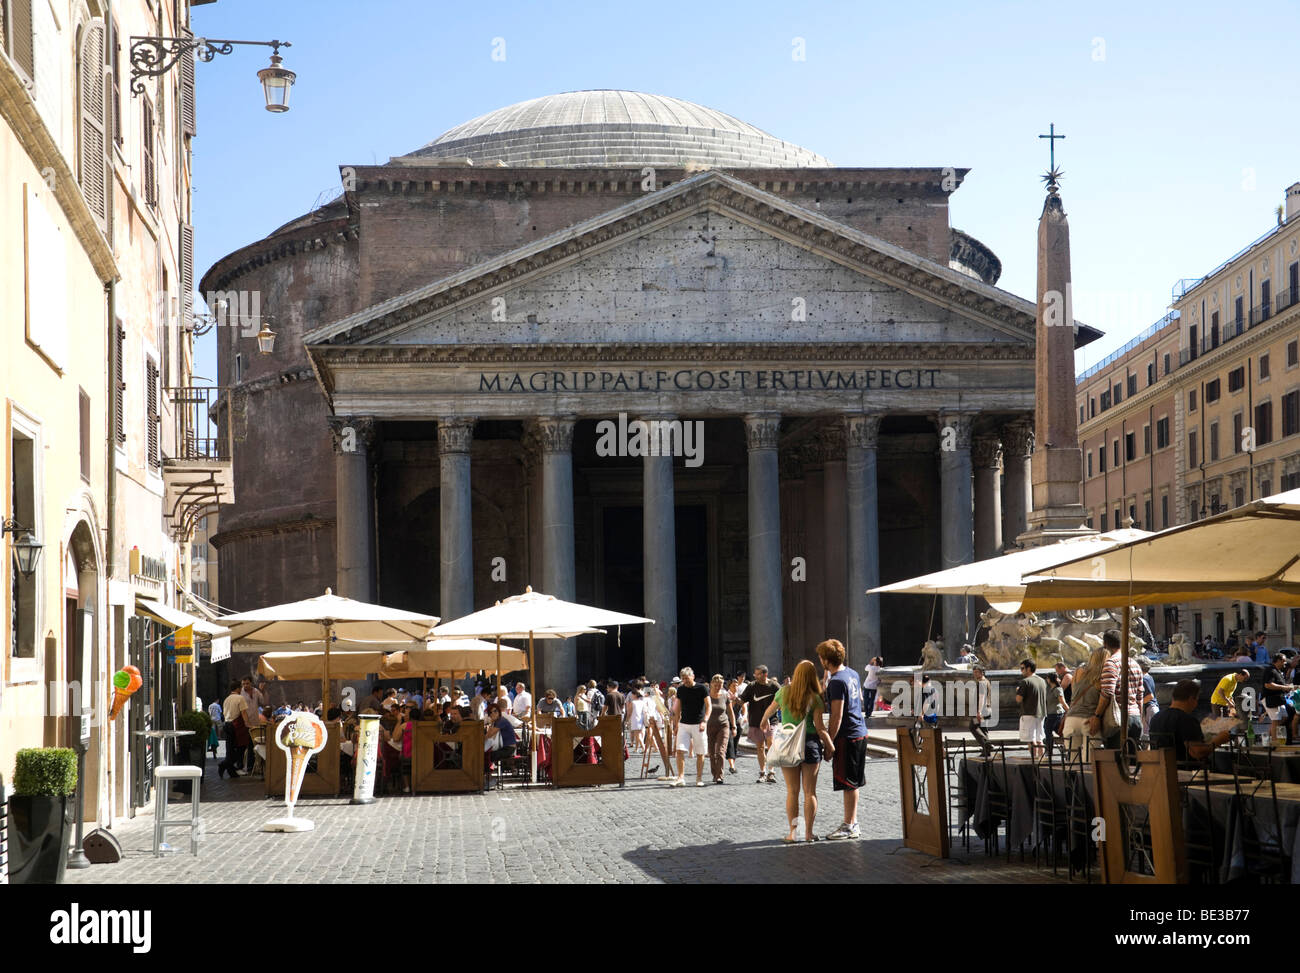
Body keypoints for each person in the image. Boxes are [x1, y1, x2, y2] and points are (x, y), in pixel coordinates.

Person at [761, 659, 834, 843]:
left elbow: (769, 711)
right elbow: (820, 728)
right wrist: (830, 746)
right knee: (810, 792)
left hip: (788, 744)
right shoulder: (815, 698)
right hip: (810, 745)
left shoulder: (783, 692)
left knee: (792, 791)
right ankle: (808, 833)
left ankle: (793, 833)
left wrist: (764, 722)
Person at [818, 638, 867, 840]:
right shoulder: (852, 674)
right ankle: (852, 822)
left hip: (847, 735)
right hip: (859, 731)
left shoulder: (837, 682)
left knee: (849, 782)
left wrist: (829, 743)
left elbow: (836, 716)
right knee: (852, 782)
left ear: (825, 660)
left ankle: (849, 825)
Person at [1149, 679, 1232, 766]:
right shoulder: (1186, 720)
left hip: (1160, 769)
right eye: (1197, 699)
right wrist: (1219, 740)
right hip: (1186, 772)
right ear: (1191, 698)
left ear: (1173, 697)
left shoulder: (1156, 718)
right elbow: (1197, 753)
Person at [1092, 630, 1144, 751]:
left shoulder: (1111, 663)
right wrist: (1139, 717)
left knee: (1116, 763)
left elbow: (1107, 693)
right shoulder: (1135, 663)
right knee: (1133, 762)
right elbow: (1140, 696)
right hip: (1135, 717)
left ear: (1105, 644)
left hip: (1118, 719)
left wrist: (1097, 716)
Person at [667, 667, 710, 787]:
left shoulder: (702, 688)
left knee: (700, 752)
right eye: (683, 679)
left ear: (693, 676)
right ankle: (680, 777)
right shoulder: (680, 689)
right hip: (684, 724)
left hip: (699, 724)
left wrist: (705, 721)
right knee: (680, 750)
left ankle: (699, 778)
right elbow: (677, 708)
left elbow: (709, 706)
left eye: (687, 678)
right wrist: (675, 725)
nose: (685, 681)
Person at [740, 665, 780, 783]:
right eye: (755, 674)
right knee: (760, 747)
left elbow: (781, 702)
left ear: (765, 675)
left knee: (771, 744)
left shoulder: (774, 686)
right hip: (756, 721)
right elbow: (743, 699)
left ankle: (771, 772)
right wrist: (734, 699)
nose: (755, 676)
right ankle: (762, 772)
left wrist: (768, 715)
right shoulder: (751, 686)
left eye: (757, 674)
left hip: (771, 720)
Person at [1016, 658, 1047, 760]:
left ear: (1028, 668)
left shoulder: (1025, 682)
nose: (1021, 671)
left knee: (1030, 739)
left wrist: (1017, 691)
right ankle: (1042, 759)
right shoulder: (1042, 681)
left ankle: (1033, 760)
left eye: (1022, 668)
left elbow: (1018, 699)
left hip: (1028, 713)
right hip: (1041, 713)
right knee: (1039, 739)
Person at [706, 674, 734, 783]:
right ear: (711, 684)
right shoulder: (707, 695)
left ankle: (719, 776)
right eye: (716, 685)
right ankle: (714, 773)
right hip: (709, 726)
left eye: (720, 685)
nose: (718, 687)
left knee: (721, 752)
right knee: (712, 753)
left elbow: (730, 711)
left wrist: (734, 726)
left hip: (723, 725)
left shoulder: (725, 695)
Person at [1263, 654, 1297, 743]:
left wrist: (1290, 686)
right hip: (1270, 698)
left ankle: (1268, 737)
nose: (1285, 663)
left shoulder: (1278, 671)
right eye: (1283, 661)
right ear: (1277, 660)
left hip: (1278, 699)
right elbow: (1268, 685)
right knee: (1276, 719)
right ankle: (1274, 742)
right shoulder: (1270, 670)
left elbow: (1281, 685)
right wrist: (1284, 687)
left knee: (1284, 717)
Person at [218, 681, 248, 779]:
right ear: (238, 688)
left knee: (230, 749)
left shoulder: (226, 699)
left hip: (227, 724)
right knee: (241, 748)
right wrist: (248, 724)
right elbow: (243, 713)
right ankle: (224, 764)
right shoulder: (240, 698)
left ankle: (231, 771)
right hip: (236, 725)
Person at [483, 704, 518, 790]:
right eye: (490, 712)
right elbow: (488, 735)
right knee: (486, 756)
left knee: (488, 756)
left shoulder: (501, 721)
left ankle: (489, 780)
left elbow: (489, 735)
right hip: (504, 748)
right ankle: (487, 778)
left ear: (499, 711)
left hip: (509, 749)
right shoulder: (495, 722)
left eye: (495, 711)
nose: (493, 713)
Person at [239, 676, 264, 772]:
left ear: (251, 683)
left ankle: (252, 766)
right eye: (243, 684)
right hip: (245, 723)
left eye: (247, 683)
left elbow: (263, 702)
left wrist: (262, 691)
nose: (245, 685)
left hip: (255, 722)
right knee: (244, 745)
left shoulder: (256, 691)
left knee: (253, 745)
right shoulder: (240, 693)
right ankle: (243, 766)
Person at [969, 665, 993, 756]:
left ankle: (987, 744)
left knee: (973, 726)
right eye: (974, 672)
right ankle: (986, 752)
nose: (975, 674)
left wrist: (978, 712)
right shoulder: (986, 681)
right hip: (987, 709)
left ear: (982, 672)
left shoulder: (981, 683)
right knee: (983, 729)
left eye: (977, 672)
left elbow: (981, 698)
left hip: (982, 711)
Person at [1043, 671, 1066, 753]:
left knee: (1048, 731)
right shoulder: (1049, 689)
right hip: (1049, 714)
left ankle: (1049, 751)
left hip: (1056, 714)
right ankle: (1065, 746)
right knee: (1056, 731)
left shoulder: (1058, 689)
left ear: (1050, 679)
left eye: (1047, 678)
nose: (1046, 679)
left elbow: (1063, 702)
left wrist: (1069, 711)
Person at [862, 657, 882, 721]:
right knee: (872, 700)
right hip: (874, 686)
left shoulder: (871, 667)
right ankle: (869, 713)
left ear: (875, 662)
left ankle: (866, 712)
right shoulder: (880, 669)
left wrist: (871, 661)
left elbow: (865, 668)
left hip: (867, 685)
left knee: (866, 699)